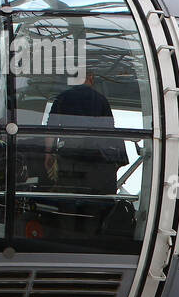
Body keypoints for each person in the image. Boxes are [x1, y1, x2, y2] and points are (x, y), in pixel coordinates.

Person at [43, 74, 128, 237]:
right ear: (89, 78)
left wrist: (49, 154)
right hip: (97, 164)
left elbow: (51, 129)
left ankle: (66, 237)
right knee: (93, 206)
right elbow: (110, 130)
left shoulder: (62, 98)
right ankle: (89, 239)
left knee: (67, 203)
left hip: (69, 159)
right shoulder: (101, 100)